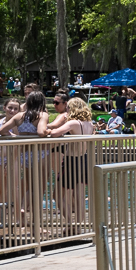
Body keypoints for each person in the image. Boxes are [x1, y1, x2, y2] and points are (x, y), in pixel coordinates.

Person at [47, 96, 96, 233]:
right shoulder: (89, 124)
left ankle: (69, 222)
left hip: (71, 161)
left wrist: (47, 130)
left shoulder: (73, 123)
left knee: (57, 195)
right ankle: (78, 226)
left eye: (68, 107)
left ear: (72, 109)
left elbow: (55, 133)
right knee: (80, 196)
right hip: (84, 160)